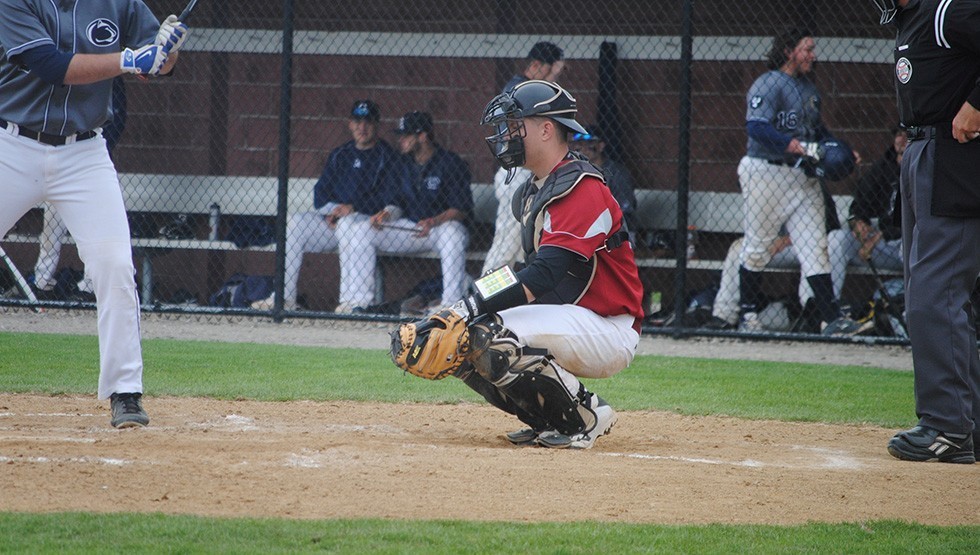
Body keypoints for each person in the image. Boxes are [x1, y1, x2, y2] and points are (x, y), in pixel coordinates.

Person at [395, 80, 643, 450]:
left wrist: (470, 308)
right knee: (468, 333)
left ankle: (586, 414)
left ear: (546, 129)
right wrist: (464, 306)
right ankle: (549, 420)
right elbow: (521, 274)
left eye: (515, 125)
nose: (505, 135)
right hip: (574, 315)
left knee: (488, 332)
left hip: (609, 327)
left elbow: (545, 274)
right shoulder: (535, 189)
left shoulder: (581, 188)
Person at [0, 2, 188, 427]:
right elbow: (50, 64)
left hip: (84, 153)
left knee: (114, 264)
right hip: (11, 146)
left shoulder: (118, 1)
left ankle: (125, 391)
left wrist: (166, 50)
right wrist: (129, 59)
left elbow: (157, 63)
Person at [870, 0, 980, 464]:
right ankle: (964, 423)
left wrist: (975, 104)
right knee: (931, 293)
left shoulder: (948, 8)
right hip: (922, 152)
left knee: (935, 295)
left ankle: (948, 427)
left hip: (951, 157)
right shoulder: (913, 18)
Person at [737, 27, 865, 336]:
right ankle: (748, 314)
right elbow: (756, 127)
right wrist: (788, 144)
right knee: (757, 246)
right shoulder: (768, 83)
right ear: (788, 51)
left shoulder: (808, 89)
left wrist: (843, 151)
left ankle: (831, 318)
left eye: (812, 49)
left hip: (802, 175)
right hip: (766, 172)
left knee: (814, 246)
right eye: (807, 49)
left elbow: (816, 133)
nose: (813, 55)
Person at [251, 100, 401, 312]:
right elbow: (320, 195)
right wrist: (333, 211)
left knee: (348, 223)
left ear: (377, 124)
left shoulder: (386, 156)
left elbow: (388, 198)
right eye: (357, 121)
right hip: (332, 224)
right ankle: (283, 297)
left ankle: (351, 302)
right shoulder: (340, 154)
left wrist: (353, 208)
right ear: (350, 124)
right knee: (296, 222)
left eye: (368, 122)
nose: (362, 127)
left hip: (363, 223)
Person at [342, 111, 473, 312]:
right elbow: (395, 202)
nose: (401, 140)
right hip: (410, 228)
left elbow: (461, 208)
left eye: (407, 135)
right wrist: (386, 214)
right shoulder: (401, 163)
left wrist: (434, 221)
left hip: (441, 228)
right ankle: (360, 303)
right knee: (361, 231)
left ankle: (450, 304)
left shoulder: (450, 162)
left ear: (423, 136)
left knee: (453, 235)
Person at [32, 77, 128, 301]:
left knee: (96, 232)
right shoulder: (62, 68)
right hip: (53, 155)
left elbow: (118, 119)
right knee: (51, 224)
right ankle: (42, 283)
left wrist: (97, 148)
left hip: (89, 161)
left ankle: (89, 287)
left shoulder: (111, 76)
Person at [481, 42, 566, 275]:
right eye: (553, 72)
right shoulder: (520, 90)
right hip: (517, 173)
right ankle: (482, 299)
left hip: (530, 174)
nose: (556, 79)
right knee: (505, 246)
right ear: (536, 65)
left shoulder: (529, 89)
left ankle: (498, 300)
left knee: (527, 244)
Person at [826, 128, 907, 298]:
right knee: (837, 239)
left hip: (907, 244)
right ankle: (829, 309)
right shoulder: (884, 166)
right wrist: (858, 222)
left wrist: (882, 235)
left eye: (908, 134)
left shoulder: (925, 168)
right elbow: (859, 204)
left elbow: (917, 221)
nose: (902, 139)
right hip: (882, 244)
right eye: (899, 134)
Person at [569, 125, 638, 238]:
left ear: (600, 146)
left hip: (616, 231)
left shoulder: (614, 172)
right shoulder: (574, 171)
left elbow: (625, 209)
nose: (581, 148)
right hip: (582, 229)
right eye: (578, 143)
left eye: (588, 143)